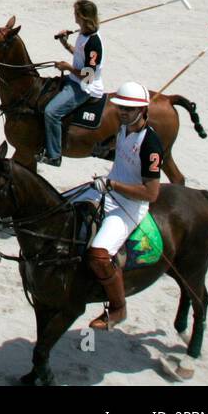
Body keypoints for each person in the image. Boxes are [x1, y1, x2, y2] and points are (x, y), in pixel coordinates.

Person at [70, 81, 162, 329]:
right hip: (107, 191)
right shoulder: (123, 129)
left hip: (129, 206)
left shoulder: (151, 145)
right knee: (62, 208)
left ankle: (118, 308)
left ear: (142, 110)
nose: (122, 112)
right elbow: (119, 155)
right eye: (121, 108)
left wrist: (114, 185)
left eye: (128, 109)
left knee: (99, 254)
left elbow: (151, 193)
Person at [40, 0, 104, 167]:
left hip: (85, 87)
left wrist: (68, 67)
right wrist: (65, 44)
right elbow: (79, 55)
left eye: (76, 13)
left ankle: (54, 155)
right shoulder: (83, 35)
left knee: (51, 112)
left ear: (83, 17)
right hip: (75, 78)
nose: (73, 16)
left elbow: (89, 75)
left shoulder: (94, 43)